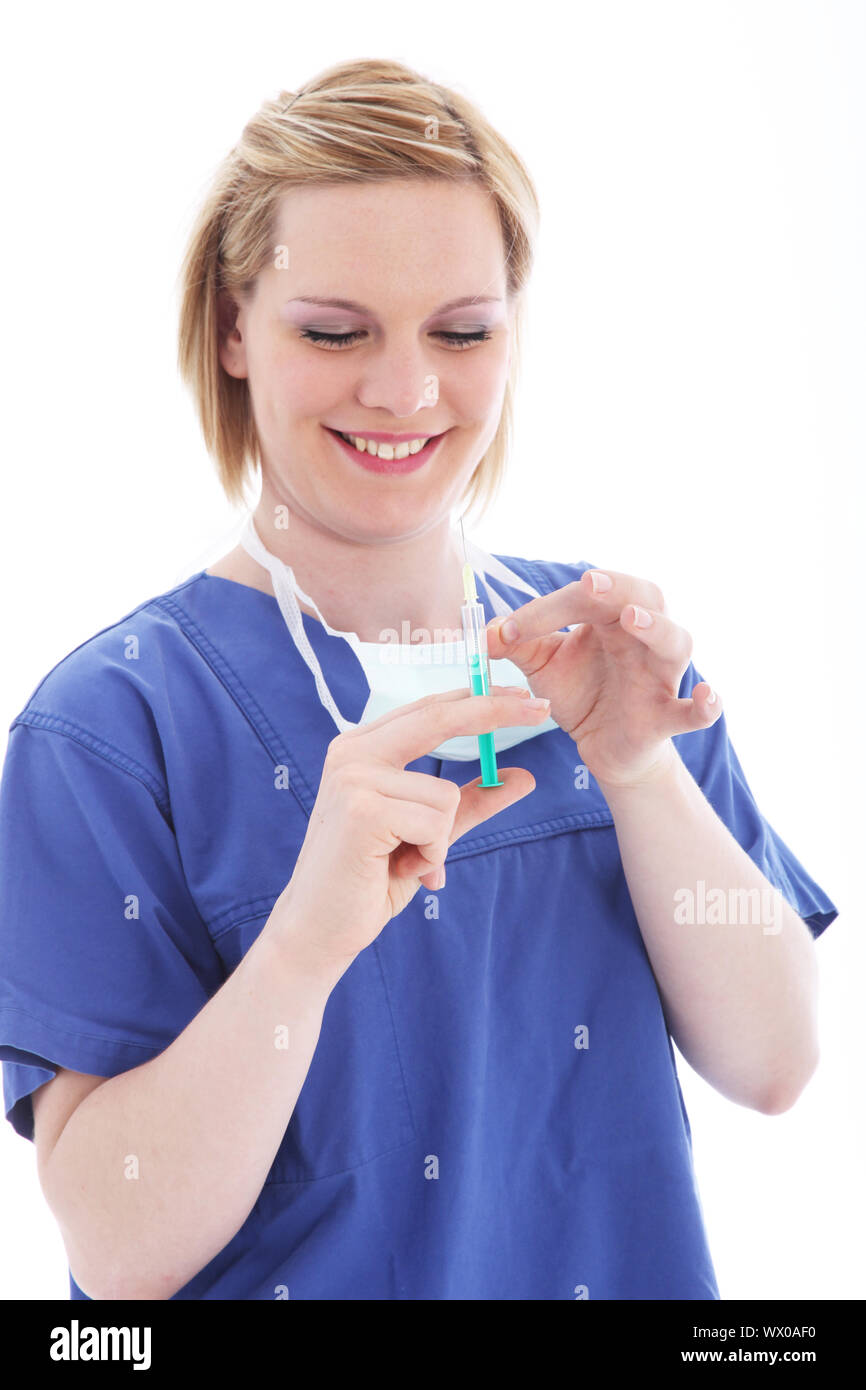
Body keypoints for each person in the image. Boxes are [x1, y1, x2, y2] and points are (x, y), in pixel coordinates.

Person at [0, 59, 838, 1302]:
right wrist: (302, 944)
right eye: (333, 331)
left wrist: (638, 768)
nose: (404, 391)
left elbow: (776, 1064)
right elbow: (117, 1254)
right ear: (233, 329)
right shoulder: (112, 731)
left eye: (461, 330)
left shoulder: (604, 659)